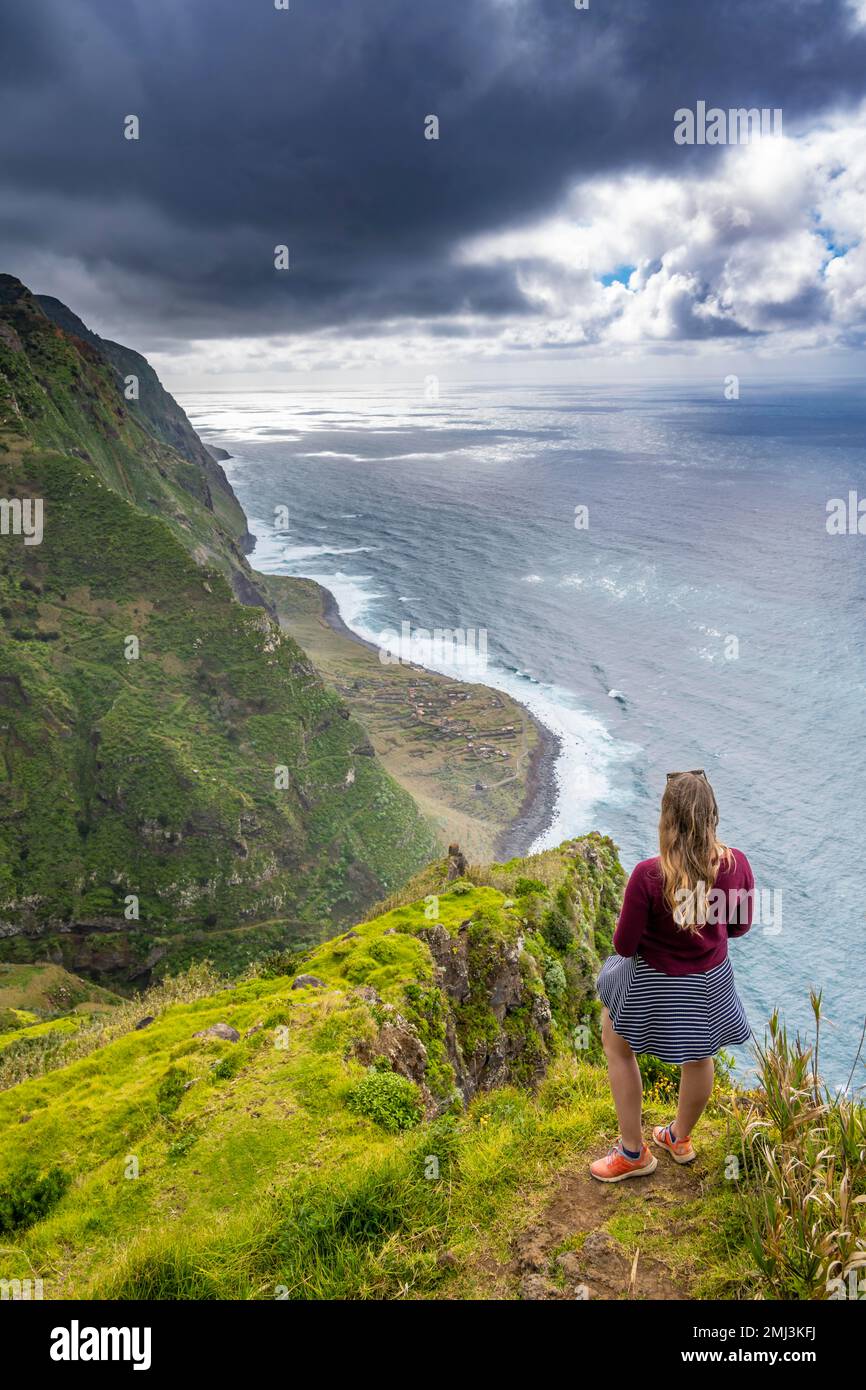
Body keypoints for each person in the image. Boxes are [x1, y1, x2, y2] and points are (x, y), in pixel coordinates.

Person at [589, 769, 753, 1182]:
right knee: (700, 1056)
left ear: (668, 821)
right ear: (712, 815)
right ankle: (678, 1138)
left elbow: (623, 947)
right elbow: (739, 927)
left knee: (615, 1039)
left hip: (655, 980)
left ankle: (632, 1153)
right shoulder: (736, 866)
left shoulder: (649, 875)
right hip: (710, 980)